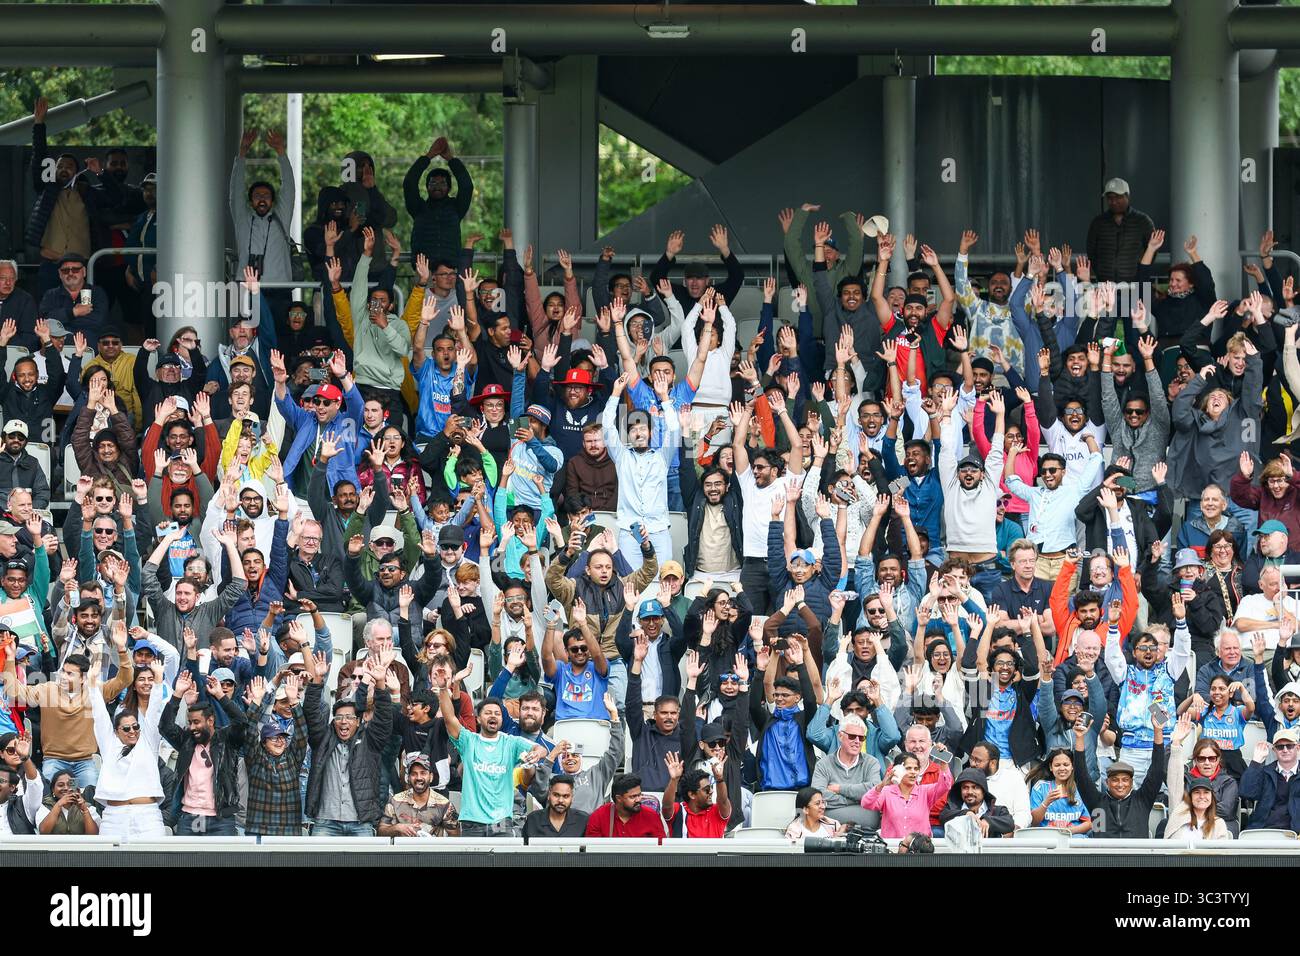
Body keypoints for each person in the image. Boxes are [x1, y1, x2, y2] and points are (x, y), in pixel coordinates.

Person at [439, 663, 546, 837]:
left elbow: (540, 748)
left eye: (497, 713)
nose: (493, 716)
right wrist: (444, 688)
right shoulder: (469, 740)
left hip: (502, 822)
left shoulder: (511, 743)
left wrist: (537, 753)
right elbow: (449, 718)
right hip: (472, 822)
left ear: (502, 720)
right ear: (478, 719)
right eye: (488, 713)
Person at [1072, 713, 1166, 839]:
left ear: (1131, 782)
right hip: (1104, 858)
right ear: (1107, 782)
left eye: (1125, 780)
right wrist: (1079, 737)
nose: (1120, 784)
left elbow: (1157, 770)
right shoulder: (1097, 802)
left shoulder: (1142, 800)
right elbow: (1081, 774)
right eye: (1115, 780)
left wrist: (1158, 731)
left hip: (1137, 858)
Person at [243, 673, 309, 837]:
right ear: (264, 741)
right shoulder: (256, 757)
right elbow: (249, 730)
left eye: (283, 737)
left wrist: (294, 702)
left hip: (289, 831)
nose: (280, 741)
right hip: (258, 831)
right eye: (274, 737)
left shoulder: (293, 758)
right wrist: (257, 701)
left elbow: (301, 733)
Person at [403, 136, 473, 267]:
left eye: (442, 183)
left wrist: (451, 160)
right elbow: (409, 182)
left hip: (450, 272)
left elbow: (467, 186)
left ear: (449, 188)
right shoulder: (418, 207)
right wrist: (428, 156)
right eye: (433, 183)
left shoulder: (456, 208)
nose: (437, 186)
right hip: (424, 272)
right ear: (427, 187)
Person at [1166, 714, 1234, 840]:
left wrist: (1198, 808)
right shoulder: (1178, 812)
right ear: (1195, 760)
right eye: (1196, 792)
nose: (1207, 763)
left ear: (1218, 759)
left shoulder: (1219, 824)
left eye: (1212, 758)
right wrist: (1176, 743)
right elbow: (1173, 779)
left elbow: (1227, 811)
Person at [811, 713, 882, 827]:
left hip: (867, 830)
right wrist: (857, 799)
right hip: (830, 830)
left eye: (861, 737)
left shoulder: (871, 762)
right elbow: (817, 797)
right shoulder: (823, 764)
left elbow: (874, 789)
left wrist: (840, 788)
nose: (857, 741)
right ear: (840, 736)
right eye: (852, 736)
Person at [861, 752, 952, 839]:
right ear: (897, 769)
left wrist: (944, 762)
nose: (913, 772)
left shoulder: (925, 792)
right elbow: (866, 803)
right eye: (908, 768)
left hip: (919, 849)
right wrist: (882, 785)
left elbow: (945, 785)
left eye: (916, 769)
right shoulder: (886, 791)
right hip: (892, 848)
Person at [1085, 178, 1155, 282]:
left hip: (1136, 284)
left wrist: (1140, 270)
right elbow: (1091, 251)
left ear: (1127, 196)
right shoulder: (1098, 222)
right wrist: (1100, 271)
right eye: (1110, 198)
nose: (1113, 202)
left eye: (1118, 197)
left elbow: (1153, 250)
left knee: (1140, 298)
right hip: (1106, 284)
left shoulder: (1143, 221)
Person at [379, 752, 461, 838]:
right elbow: (381, 832)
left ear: (431, 777)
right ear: (408, 778)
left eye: (423, 773)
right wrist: (397, 828)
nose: (418, 777)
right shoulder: (395, 801)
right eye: (414, 774)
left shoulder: (444, 804)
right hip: (404, 850)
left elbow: (455, 836)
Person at [661, 749, 731, 838]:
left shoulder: (716, 811)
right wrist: (674, 779)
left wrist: (719, 779)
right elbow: (666, 806)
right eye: (706, 789)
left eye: (711, 788)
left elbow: (723, 801)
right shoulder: (679, 811)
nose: (711, 791)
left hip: (712, 852)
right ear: (692, 795)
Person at [939, 767, 1015, 841]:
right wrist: (965, 813)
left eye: (975, 787)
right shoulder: (952, 808)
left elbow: (1010, 823)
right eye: (965, 787)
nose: (970, 792)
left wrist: (988, 821)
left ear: (983, 790)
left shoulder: (998, 810)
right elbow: (943, 816)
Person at [1028, 748, 1092, 835]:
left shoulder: (1081, 788)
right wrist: (1046, 803)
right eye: (1057, 765)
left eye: (1066, 765)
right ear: (1051, 767)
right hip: (1046, 838)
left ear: (1072, 766)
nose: (1062, 768)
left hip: (1074, 838)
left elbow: (1090, 823)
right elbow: (1034, 823)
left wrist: (1070, 831)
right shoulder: (1040, 787)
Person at [584, 773, 666, 838]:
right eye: (633, 796)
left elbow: (661, 850)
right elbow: (592, 852)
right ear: (619, 798)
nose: (638, 799)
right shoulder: (599, 816)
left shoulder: (651, 816)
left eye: (639, 795)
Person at [522, 773, 588, 839]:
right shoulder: (533, 819)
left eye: (566, 796)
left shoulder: (582, 820)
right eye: (556, 795)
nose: (560, 800)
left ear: (572, 798)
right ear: (549, 795)